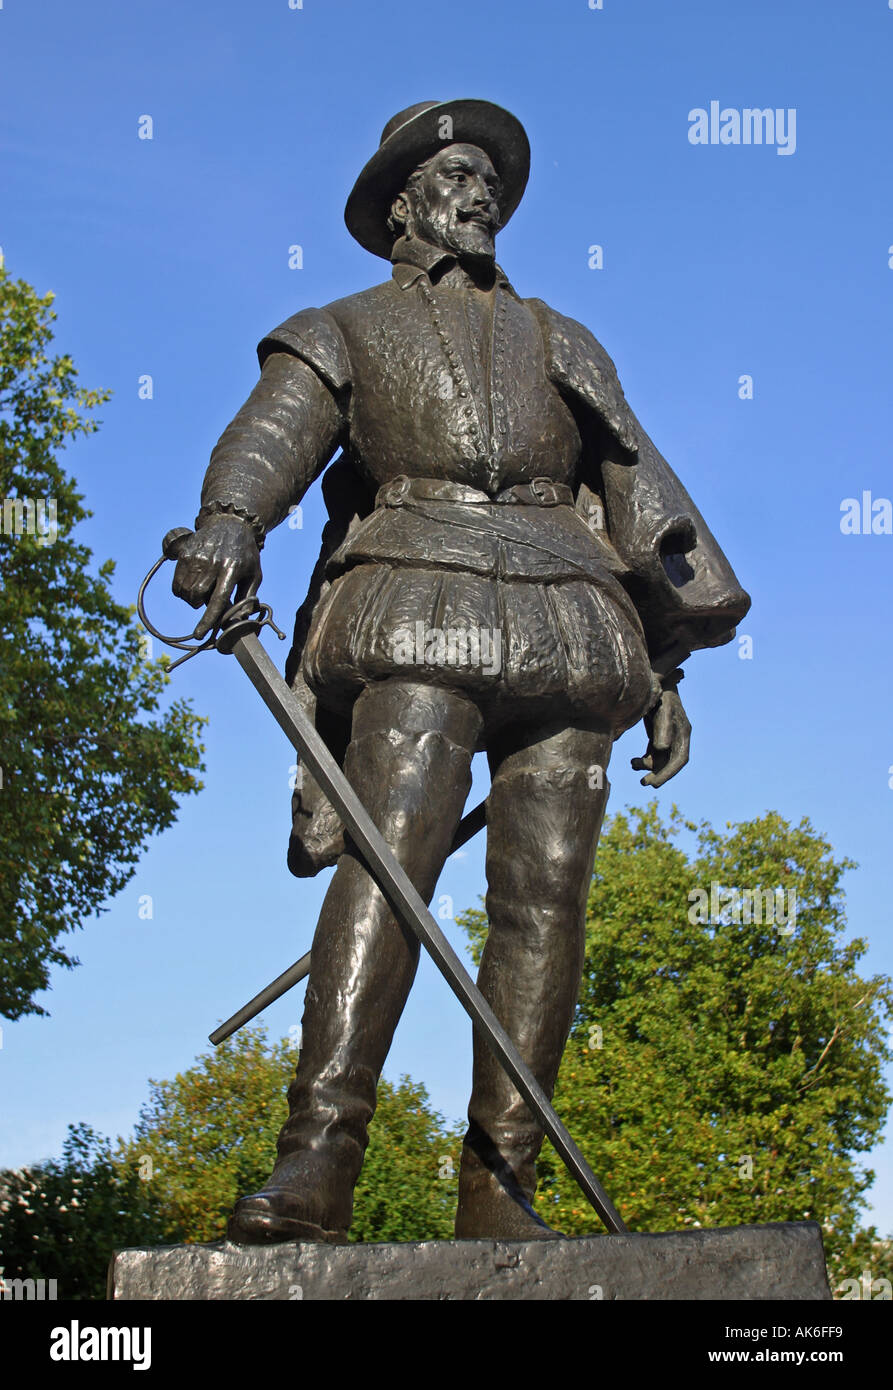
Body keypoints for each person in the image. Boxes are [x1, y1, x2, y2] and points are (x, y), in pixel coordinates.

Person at [171, 100, 750, 1244]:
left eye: (490, 179)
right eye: (456, 175)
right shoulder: (338, 326)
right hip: (415, 602)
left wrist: (668, 661)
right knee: (390, 868)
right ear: (401, 202)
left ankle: (499, 1187)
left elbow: (634, 490)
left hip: (571, 625)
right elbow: (271, 435)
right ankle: (316, 1168)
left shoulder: (561, 338)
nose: (479, 194)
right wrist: (229, 521)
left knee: (545, 904)